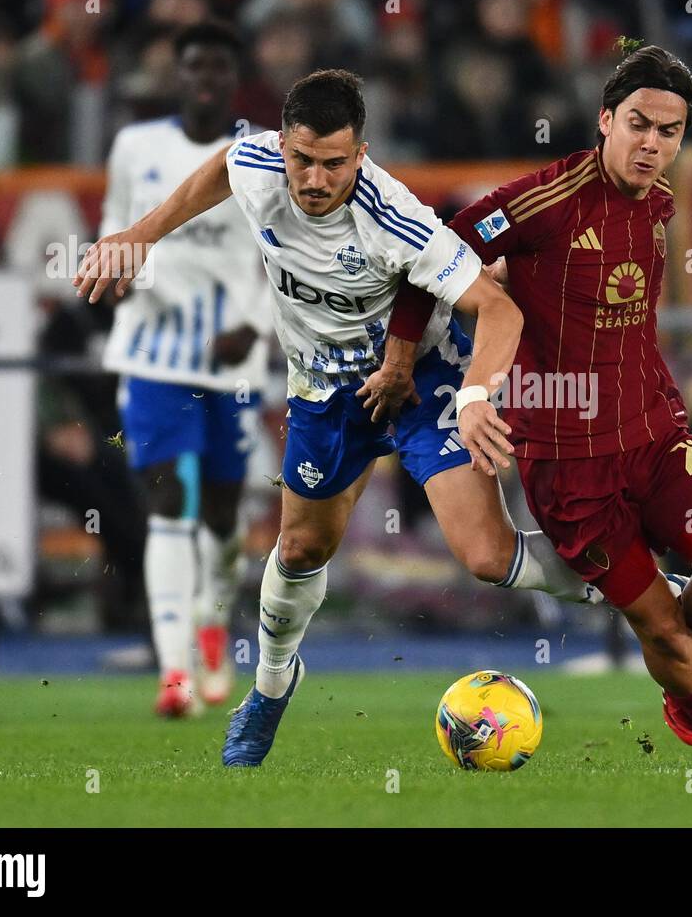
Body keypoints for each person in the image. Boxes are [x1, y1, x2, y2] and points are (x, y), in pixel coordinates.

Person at [76, 66, 600, 765]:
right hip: (324, 391)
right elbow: (219, 170)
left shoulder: (397, 219)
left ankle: (653, 598)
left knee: (486, 555)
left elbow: (496, 307)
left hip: (421, 382)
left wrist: (474, 394)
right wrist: (140, 235)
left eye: (332, 164)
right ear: (284, 146)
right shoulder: (258, 162)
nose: (314, 180)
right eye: (302, 160)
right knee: (298, 550)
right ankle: (268, 690)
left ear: (361, 154)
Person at [389, 42, 692, 766]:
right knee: (666, 629)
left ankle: (681, 676)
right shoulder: (541, 202)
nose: (651, 144)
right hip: (571, 469)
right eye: (638, 124)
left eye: (669, 132)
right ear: (605, 119)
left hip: (655, 438)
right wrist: (400, 360)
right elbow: (434, 262)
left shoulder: (661, 204)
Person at [97, 21, 270, 717]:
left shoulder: (258, 156)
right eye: (193, 65)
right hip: (152, 356)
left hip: (233, 362)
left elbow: (277, 251)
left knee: (224, 517)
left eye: (218, 67)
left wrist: (254, 324)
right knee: (169, 503)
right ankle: (173, 673)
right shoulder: (136, 148)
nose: (204, 78)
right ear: (177, 75)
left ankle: (212, 621)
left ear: (234, 77)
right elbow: (114, 233)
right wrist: (136, 283)